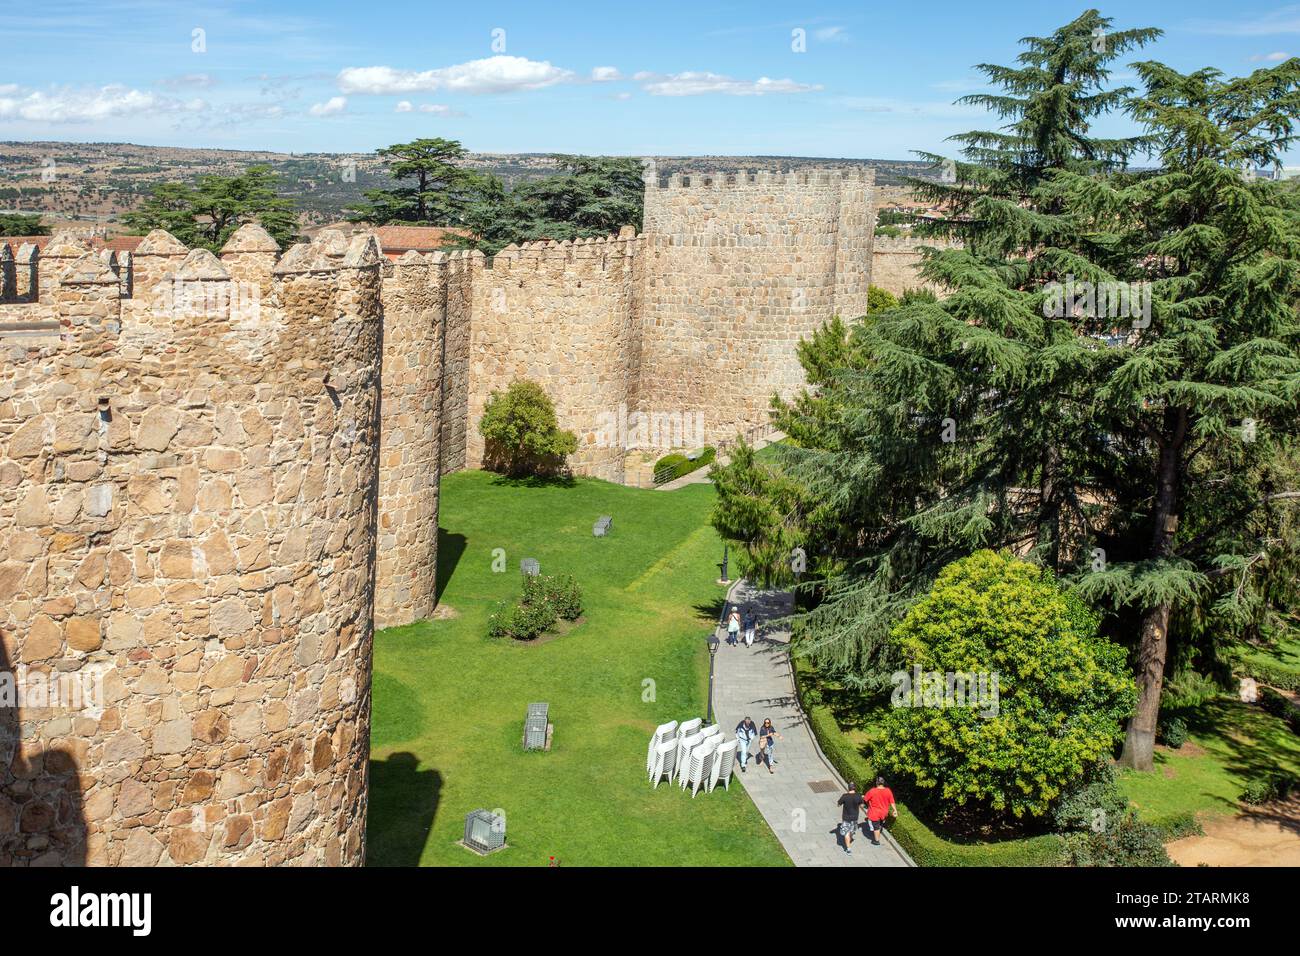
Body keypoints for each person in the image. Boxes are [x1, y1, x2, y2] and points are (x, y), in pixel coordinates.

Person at [863, 776, 897, 846]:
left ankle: (876, 841)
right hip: (884, 812)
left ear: (876, 783)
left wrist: (863, 797)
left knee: (876, 827)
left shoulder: (872, 791)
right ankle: (879, 829)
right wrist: (895, 810)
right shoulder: (888, 791)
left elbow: (865, 799)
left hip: (874, 813)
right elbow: (892, 802)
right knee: (880, 823)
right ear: (883, 783)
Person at [836, 781, 866, 854]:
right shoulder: (858, 796)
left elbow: (838, 804)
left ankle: (848, 849)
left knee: (846, 833)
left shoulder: (845, 796)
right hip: (855, 817)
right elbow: (862, 806)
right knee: (852, 831)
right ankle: (851, 838)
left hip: (846, 818)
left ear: (848, 788)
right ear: (855, 788)